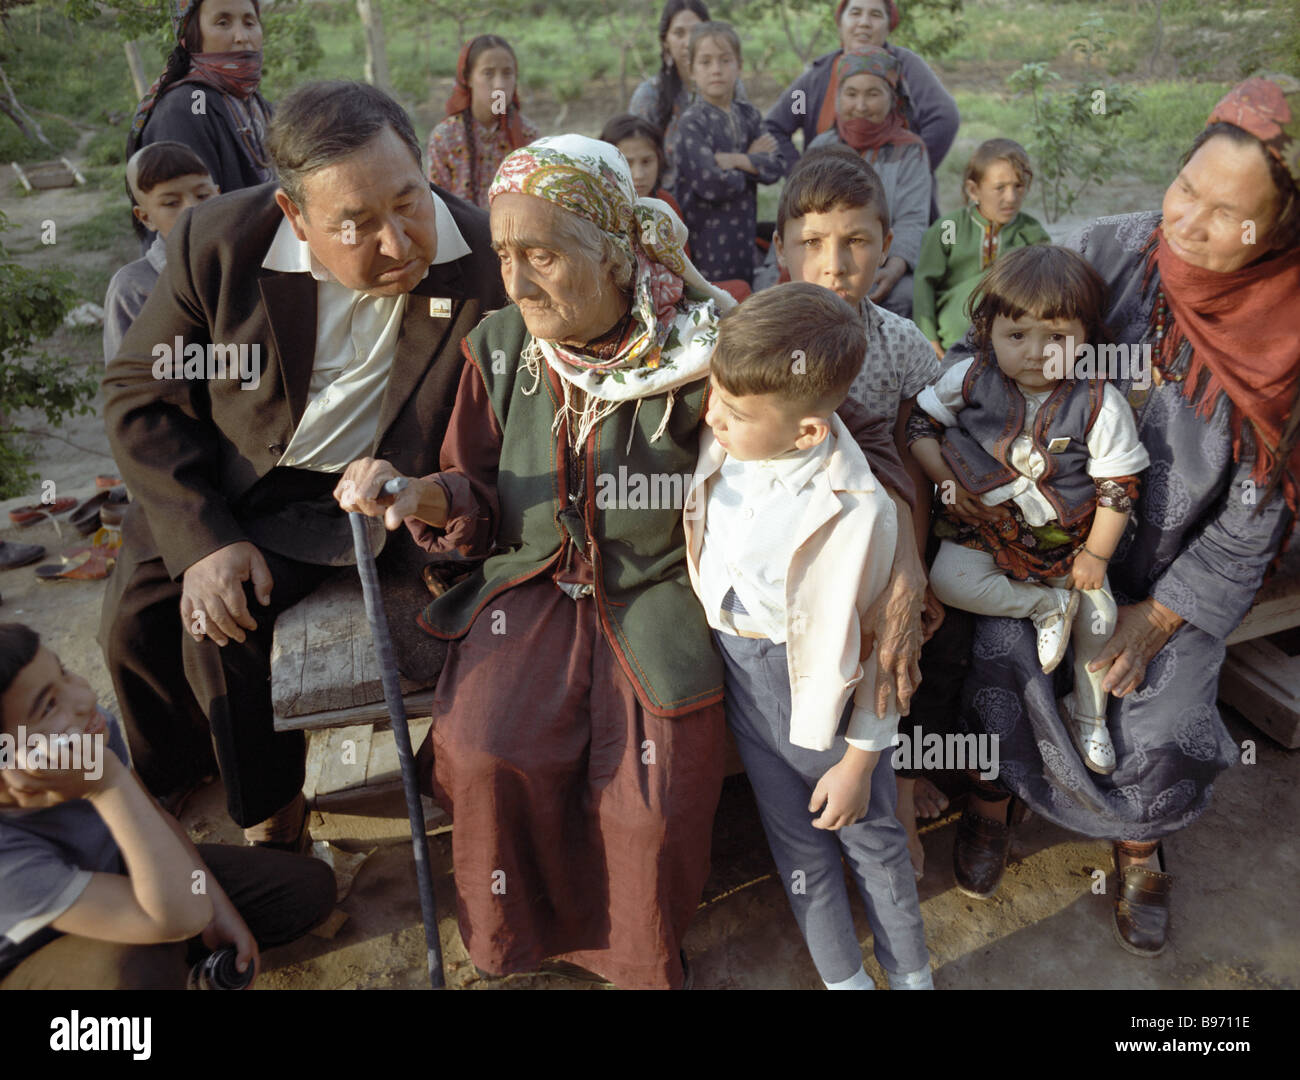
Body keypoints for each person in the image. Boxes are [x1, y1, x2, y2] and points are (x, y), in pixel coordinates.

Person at [333, 134, 930, 989]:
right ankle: (517, 938)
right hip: (533, 586)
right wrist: (420, 497)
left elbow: (857, 435)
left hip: (663, 591)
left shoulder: (707, 341)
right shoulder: (500, 348)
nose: (515, 282)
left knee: (649, 795)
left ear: (616, 252)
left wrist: (901, 556)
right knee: (485, 747)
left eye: (541, 254)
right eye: (504, 255)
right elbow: (473, 490)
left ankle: (638, 956)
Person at [100, 81, 507, 848]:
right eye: (355, 224)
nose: (398, 243)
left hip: (383, 496)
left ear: (424, 169)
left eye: (409, 201)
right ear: (295, 215)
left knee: (222, 629)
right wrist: (206, 542)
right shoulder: (218, 242)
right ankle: (195, 799)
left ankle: (270, 827)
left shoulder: (485, 258)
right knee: (136, 623)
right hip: (235, 483)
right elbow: (137, 393)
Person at [953, 75, 1300, 957]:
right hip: (1045, 546)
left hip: (1173, 577)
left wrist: (1160, 615)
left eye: (1228, 214)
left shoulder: (1286, 340)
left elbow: (1256, 513)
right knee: (1000, 657)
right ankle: (990, 808)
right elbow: (984, 350)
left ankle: (1139, 849)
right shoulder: (1107, 252)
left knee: (1155, 694)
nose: (1187, 222)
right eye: (1186, 188)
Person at [684, 283, 933, 990]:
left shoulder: (861, 515)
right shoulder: (736, 433)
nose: (712, 417)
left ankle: (913, 977)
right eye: (715, 397)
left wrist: (859, 762)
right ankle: (843, 980)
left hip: (827, 699)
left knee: (871, 841)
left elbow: (886, 654)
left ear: (809, 433)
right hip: (745, 681)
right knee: (796, 848)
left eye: (732, 412)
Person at [910, 245, 1150, 779]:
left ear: (1085, 337)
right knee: (948, 580)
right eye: (1017, 335)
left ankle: (1089, 715)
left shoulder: (1098, 402)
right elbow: (920, 428)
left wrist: (1095, 555)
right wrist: (946, 480)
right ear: (988, 330)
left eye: (1058, 338)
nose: (1037, 352)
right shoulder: (970, 378)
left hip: (1064, 540)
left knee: (1102, 617)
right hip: (983, 528)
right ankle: (1041, 607)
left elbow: (1118, 488)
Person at [771, 144, 945, 873]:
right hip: (782, 546)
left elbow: (917, 463)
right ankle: (827, 797)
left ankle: (894, 780)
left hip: (878, 539)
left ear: (887, 247)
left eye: (855, 241)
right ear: (780, 250)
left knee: (904, 640)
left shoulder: (900, 344)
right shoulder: (759, 335)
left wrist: (918, 571)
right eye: (811, 243)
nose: (834, 264)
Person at [0, 623, 334, 989]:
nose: (83, 698)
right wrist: (108, 785)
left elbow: (155, 818)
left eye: (63, 671)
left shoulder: (87, 733)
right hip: (33, 952)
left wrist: (216, 904)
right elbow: (181, 917)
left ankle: (177, 962)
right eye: (48, 706)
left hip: (122, 878)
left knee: (302, 890)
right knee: (138, 968)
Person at [763, 0, 959, 218]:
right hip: (828, 203)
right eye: (855, 13)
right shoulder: (814, 80)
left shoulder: (906, 67)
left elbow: (944, 117)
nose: (864, 23)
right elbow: (777, 126)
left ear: (889, 25)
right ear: (840, 22)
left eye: (875, 15)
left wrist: (911, 171)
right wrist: (800, 173)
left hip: (894, 206)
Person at [126, 0, 271, 250]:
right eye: (223, 22)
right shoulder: (185, 109)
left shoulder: (253, 101)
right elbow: (187, 226)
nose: (242, 37)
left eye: (250, 22)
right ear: (192, 34)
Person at [806, 46, 931, 316]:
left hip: (881, 263)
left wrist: (892, 269)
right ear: (838, 98)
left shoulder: (910, 151)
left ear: (893, 99)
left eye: (873, 94)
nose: (860, 106)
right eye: (851, 94)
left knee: (905, 296)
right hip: (825, 261)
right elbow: (800, 215)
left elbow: (912, 219)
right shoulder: (821, 147)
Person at [914, 138, 1050, 357]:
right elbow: (924, 284)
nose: (1011, 198)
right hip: (951, 341)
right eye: (1000, 188)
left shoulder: (1031, 233)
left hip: (1010, 343)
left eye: (1019, 186)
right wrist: (928, 338)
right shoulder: (949, 228)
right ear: (973, 190)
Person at [671, 22, 782, 284]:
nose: (716, 70)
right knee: (711, 304)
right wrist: (752, 167)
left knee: (742, 300)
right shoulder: (691, 123)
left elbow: (776, 165)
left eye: (725, 60)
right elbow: (712, 183)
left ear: (739, 65)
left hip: (743, 236)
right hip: (705, 240)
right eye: (706, 62)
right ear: (692, 70)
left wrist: (736, 160)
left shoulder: (749, 114)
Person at [103, 142, 219, 367]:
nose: (191, 209)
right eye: (171, 203)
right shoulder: (133, 287)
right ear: (145, 217)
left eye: (203, 195)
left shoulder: (250, 266)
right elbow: (125, 385)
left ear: (220, 196)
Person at [629, 0, 749, 194]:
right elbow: (634, 158)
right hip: (669, 208)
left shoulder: (732, 87)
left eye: (696, 31)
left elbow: (749, 145)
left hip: (729, 203)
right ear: (665, 41)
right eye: (678, 33)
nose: (688, 42)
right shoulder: (650, 95)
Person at [426, 34, 539, 209]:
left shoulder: (528, 136)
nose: (499, 84)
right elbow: (438, 209)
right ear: (468, 78)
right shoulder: (446, 138)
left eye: (507, 73)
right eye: (488, 73)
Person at [600, 112, 683, 219]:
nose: (639, 175)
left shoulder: (667, 207)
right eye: (626, 164)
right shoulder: (595, 211)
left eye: (646, 161)